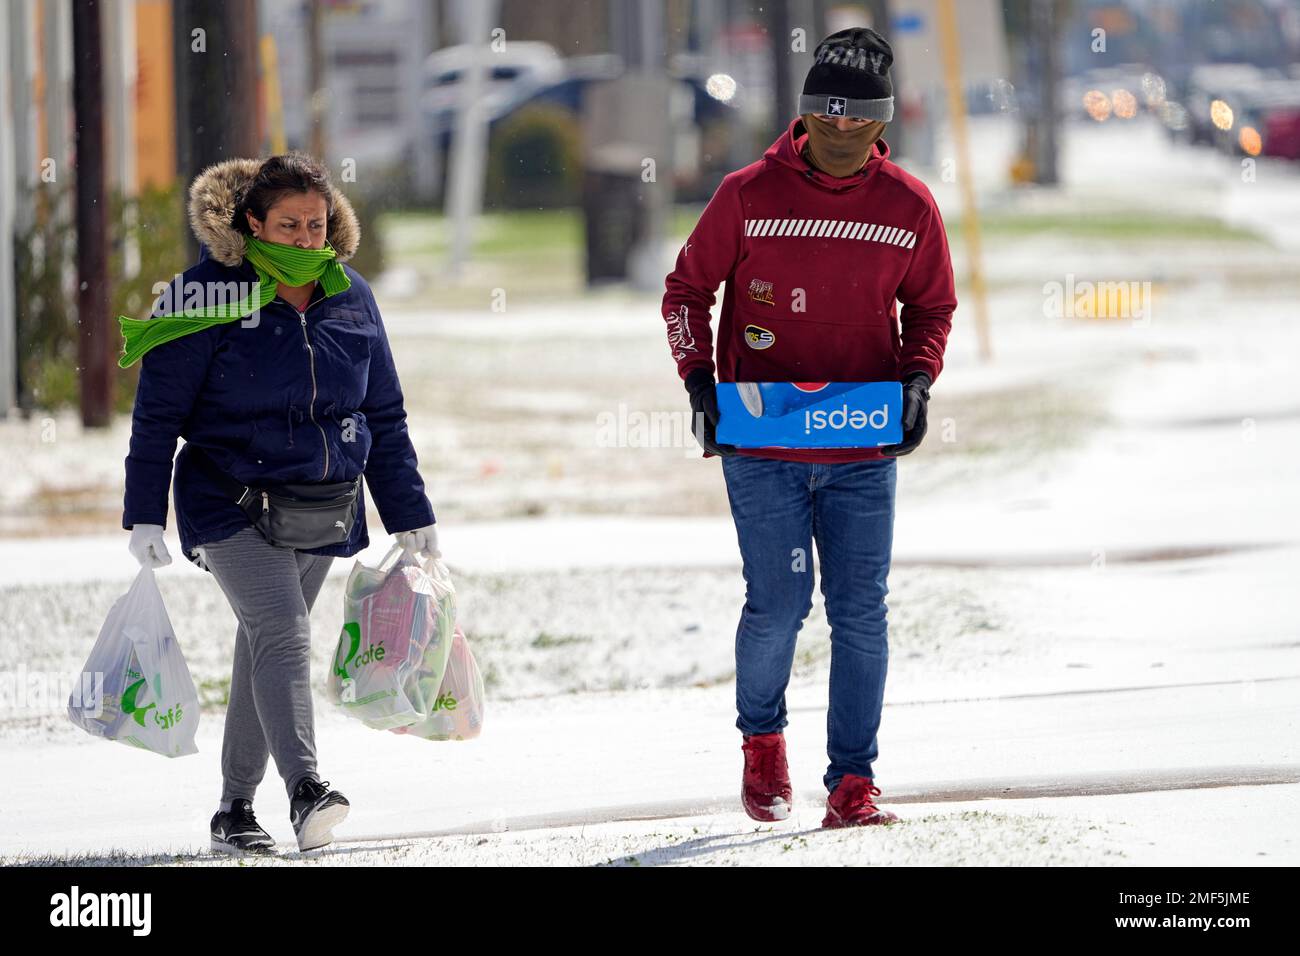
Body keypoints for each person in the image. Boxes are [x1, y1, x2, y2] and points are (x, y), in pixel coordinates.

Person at [661, 27, 956, 828]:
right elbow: (686, 293)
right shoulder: (748, 195)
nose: (838, 135)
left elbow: (932, 305)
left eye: (856, 123)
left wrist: (919, 382)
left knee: (861, 608)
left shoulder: (909, 207)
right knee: (781, 602)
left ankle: (852, 783)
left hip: (861, 444)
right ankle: (763, 739)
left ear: (880, 123)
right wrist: (698, 383)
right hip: (762, 443)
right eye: (824, 121)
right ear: (803, 115)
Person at [121, 153, 439, 854]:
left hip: (321, 504)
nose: (303, 237)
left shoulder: (350, 295)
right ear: (252, 222)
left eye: (316, 225)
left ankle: (234, 812)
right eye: (288, 224)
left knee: (265, 647)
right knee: (285, 632)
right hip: (226, 500)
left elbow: (384, 412)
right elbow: (157, 415)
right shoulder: (205, 296)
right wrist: (144, 511)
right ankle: (307, 789)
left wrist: (409, 509)